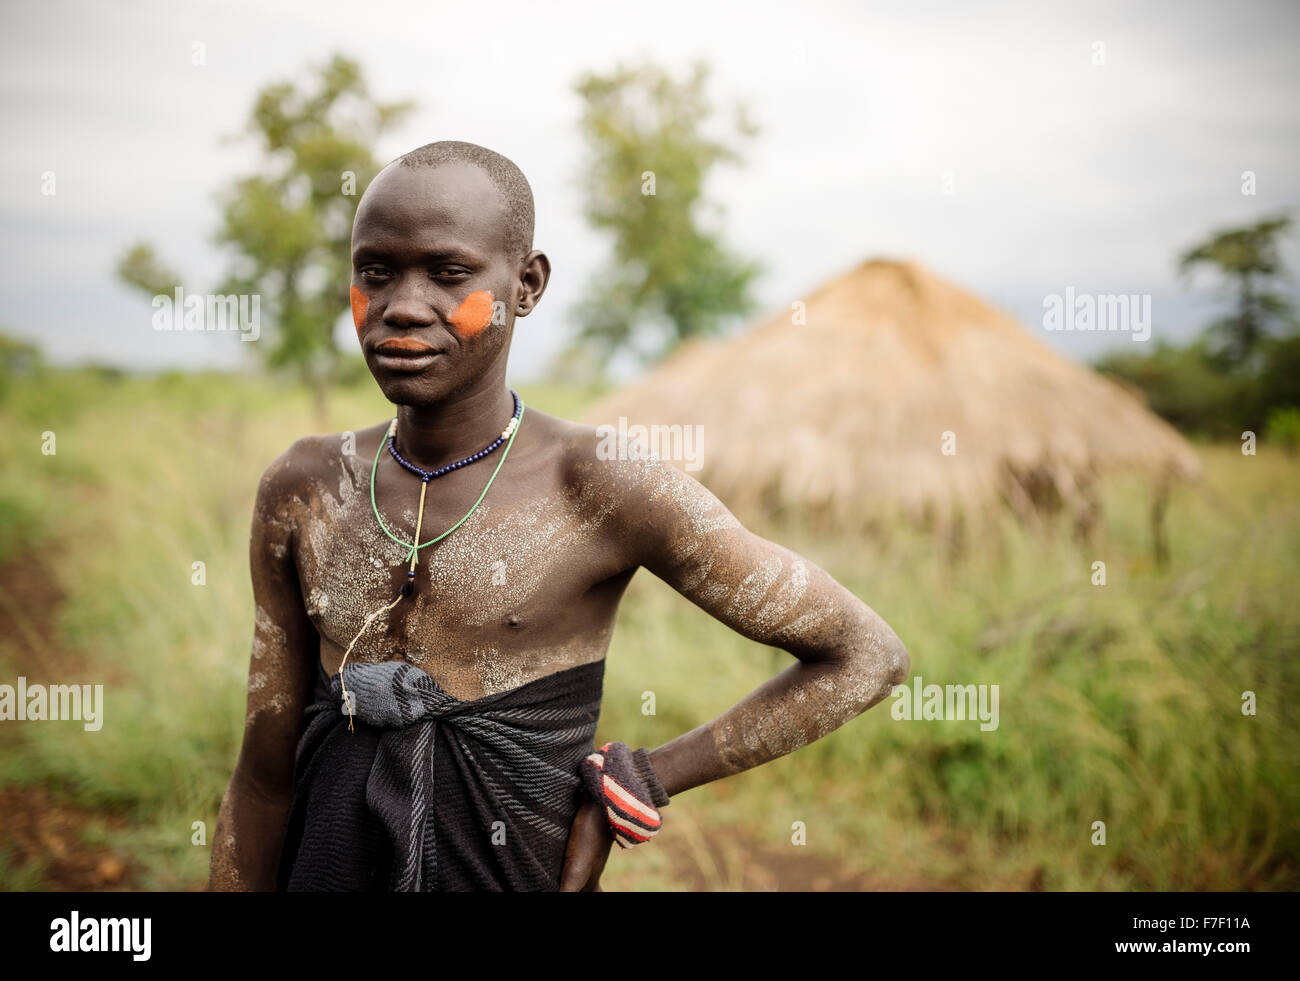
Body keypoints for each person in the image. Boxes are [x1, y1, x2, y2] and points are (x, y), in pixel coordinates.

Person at [208, 140, 909, 892]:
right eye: (375, 272)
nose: (402, 306)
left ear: (528, 283)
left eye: (448, 273)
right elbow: (263, 776)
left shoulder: (599, 484)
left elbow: (866, 654)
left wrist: (647, 777)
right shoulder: (305, 488)